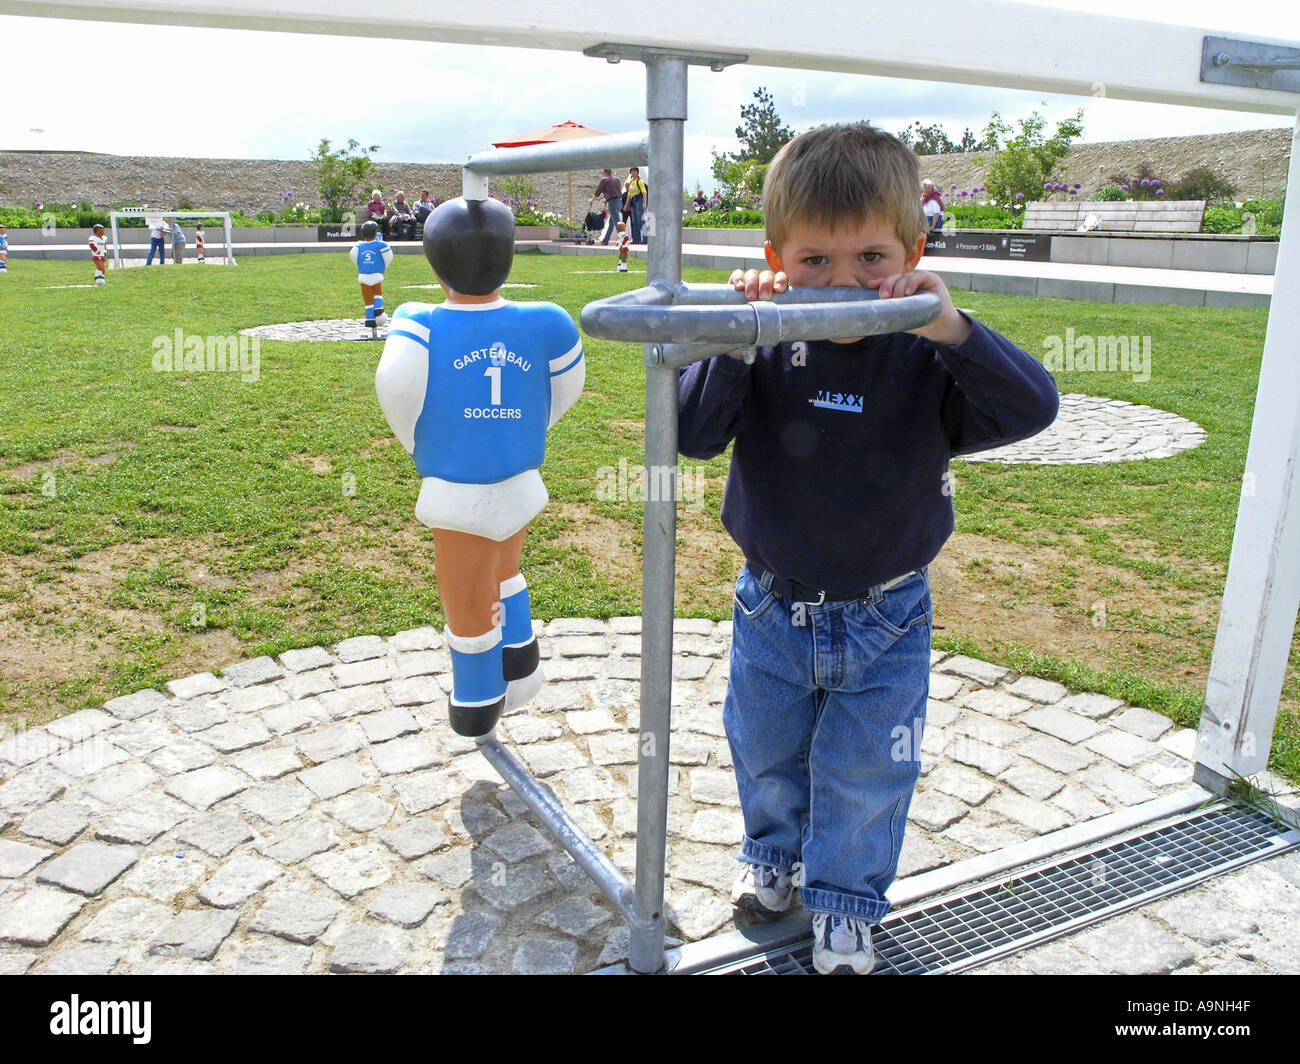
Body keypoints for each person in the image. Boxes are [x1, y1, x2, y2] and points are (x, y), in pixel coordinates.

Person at [676, 123, 1059, 975]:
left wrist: (951, 324)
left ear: (914, 254)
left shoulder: (927, 357)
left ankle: (845, 903)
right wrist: (741, 333)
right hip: (770, 603)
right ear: (776, 256)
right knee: (765, 746)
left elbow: (1032, 407)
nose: (844, 284)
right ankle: (772, 859)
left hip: (889, 613)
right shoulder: (767, 342)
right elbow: (694, 435)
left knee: (862, 771)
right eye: (814, 262)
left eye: (871, 261)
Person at [374, 196, 585, 737]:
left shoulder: (417, 324)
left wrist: (423, 447)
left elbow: (396, 391)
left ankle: (478, 695)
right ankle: (519, 654)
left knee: (466, 590)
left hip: (458, 487)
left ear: (433, 260)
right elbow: (562, 393)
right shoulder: (547, 322)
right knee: (504, 566)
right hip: (519, 476)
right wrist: (519, 431)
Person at [349, 219, 393, 335]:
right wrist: (382, 268)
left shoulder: (358, 246)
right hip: (376, 274)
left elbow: (353, 257)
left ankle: (370, 318)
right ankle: (378, 308)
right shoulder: (382, 245)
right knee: (377, 293)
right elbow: (389, 258)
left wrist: (362, 267)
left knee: (368, 298)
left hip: (363, 275)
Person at [594, 168, 623, 245]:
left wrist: (592, 199)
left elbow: (598, 191)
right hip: (619, 201)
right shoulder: (617, 180)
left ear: (604, 172)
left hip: (612, 202)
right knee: (611, 223)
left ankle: (622, 239)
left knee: (616, 221)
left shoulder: (604, 180)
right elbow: (617, 191)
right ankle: (605, 240)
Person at [625, 166, 648, 243]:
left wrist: (644, 202)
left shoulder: (639, 181)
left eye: (635, 171)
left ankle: (646, 238)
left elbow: (644, 192)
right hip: (633, 202)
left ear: (637, 172)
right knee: (634, 221)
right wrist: (626, 204)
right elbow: (629, 194)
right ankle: (636, 239)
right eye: (632, 171)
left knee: (640, 220)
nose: (633, 173)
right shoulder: (631, 182)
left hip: (639, 201)